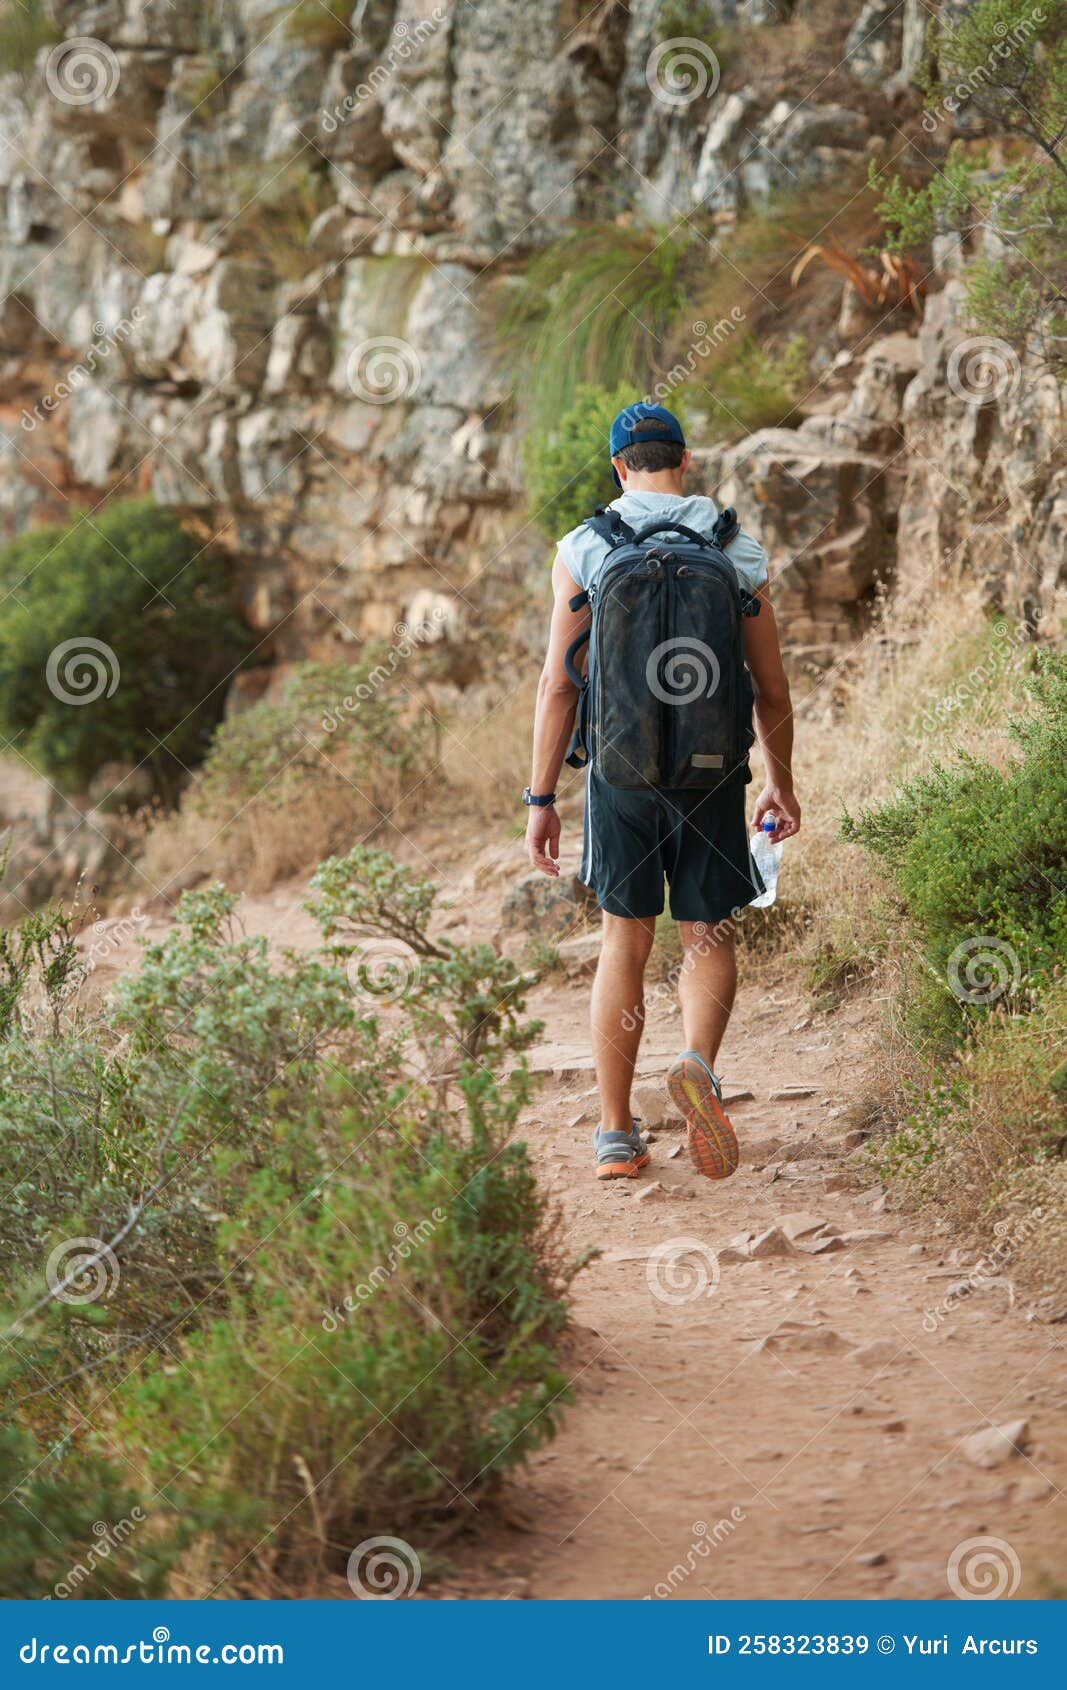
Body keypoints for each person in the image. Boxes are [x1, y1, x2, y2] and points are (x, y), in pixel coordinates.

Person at [524, 402, 801, 1183]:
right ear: (685, 461)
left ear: (619, 467)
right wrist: (778, 780)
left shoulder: (586, 547)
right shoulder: (733, 549)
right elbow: (770, 690)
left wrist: (540, 798)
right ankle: (696, 1066)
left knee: (625, 938)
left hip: (620, 776)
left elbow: (557, 685)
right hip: (712, 772)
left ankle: (616, 1134)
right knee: (706, 934)